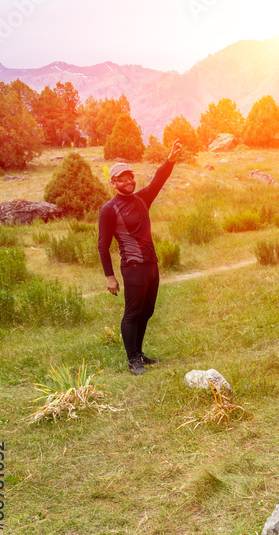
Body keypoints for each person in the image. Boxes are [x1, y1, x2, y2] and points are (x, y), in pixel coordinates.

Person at [97, 140, 183, 375]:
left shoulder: (142, 199)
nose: (129, 181)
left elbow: (158, 179)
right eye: (123, 179)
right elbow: (103, 245)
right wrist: (109, 276)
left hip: (151, 265)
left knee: (147, 311)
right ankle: (132, 359)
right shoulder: (109, 209)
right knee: (133, 312)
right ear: (113, 183)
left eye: (131, 177)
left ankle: (139, 352)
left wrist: (170, 159)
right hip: (132, 267)